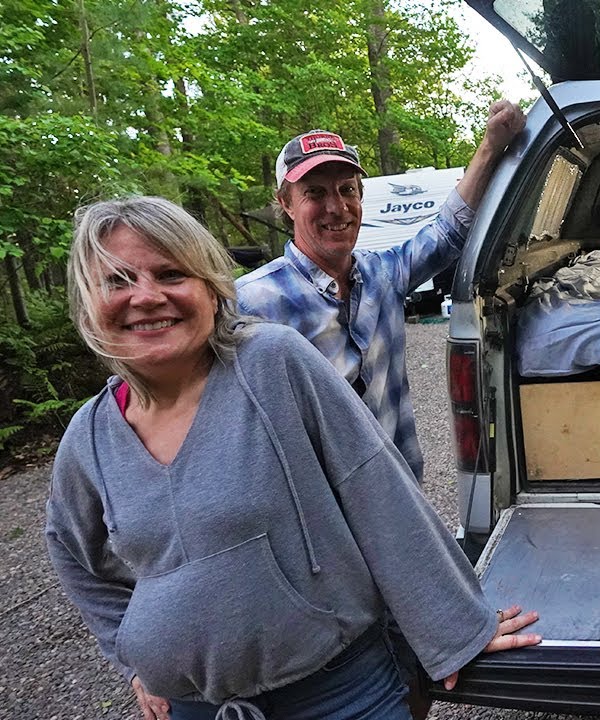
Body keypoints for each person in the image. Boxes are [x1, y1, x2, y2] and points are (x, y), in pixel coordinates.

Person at [45, 196, 540, 720]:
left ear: (211, 289)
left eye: (171, 274)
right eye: (118, 281)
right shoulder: (90, 434)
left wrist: (455, 628)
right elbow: (69, 548)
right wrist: (132, 655)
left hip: (339, 694)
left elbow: (377, 489)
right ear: (89, 306)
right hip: (193, 708)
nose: (146, 297)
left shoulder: (272, 362)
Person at [236, 101, 526, 482]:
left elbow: (447, 233)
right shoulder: (250, 303)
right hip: (323, 506)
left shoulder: (383, 274)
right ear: (286, 204)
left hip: (399, 489)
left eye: (347, 190)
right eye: (315, 193)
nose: (336, 207)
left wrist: (491, 145)